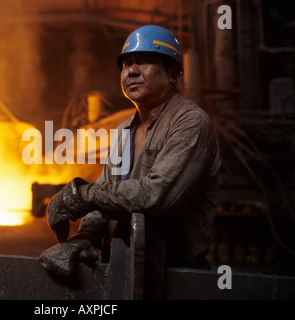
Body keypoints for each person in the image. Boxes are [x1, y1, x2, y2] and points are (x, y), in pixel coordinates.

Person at [39, 25, 221, 299]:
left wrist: (82, 194)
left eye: (145, 61)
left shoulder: (190, 122)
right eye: (126, 64)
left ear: (173, 73)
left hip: (175, 279)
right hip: (123, 270)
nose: (131, 71)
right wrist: (86, 237)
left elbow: (157, 196)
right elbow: (106, 189)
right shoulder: (125, 130)